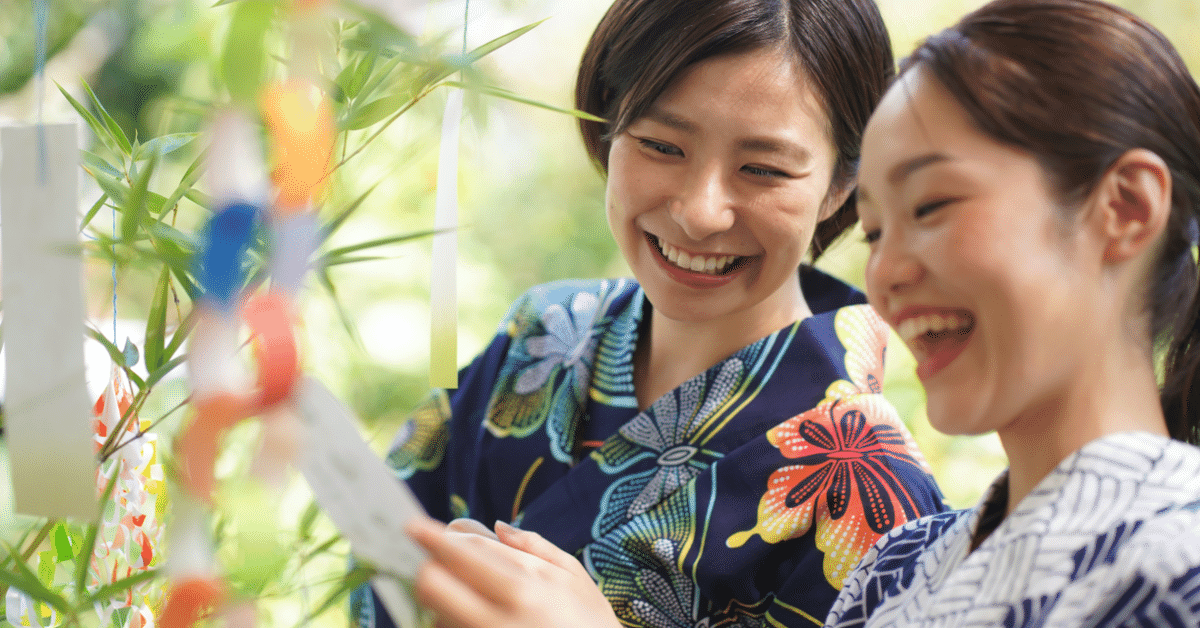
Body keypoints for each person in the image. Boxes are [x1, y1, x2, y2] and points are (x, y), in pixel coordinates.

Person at [353, 0, 946, 626]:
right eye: (661, 145)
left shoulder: (875, 488)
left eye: (763, 169)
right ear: (608, 126)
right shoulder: (543, 332)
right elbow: (380, 557)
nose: (700, 212)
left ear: (843, 185)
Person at [824, 0, 1200, 624]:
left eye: (930, 206)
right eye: (872, 232)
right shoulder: (889, 572)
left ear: (1127, 207)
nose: (884, 275)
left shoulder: (1183, 564)